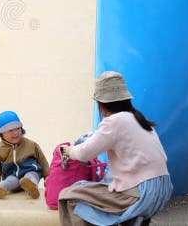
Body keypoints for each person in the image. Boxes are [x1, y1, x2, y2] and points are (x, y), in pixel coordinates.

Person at [58, 71, 173, 226]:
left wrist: (69, 151)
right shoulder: (138, 118)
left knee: (70, 195)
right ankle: (133, 220)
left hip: (141, 192)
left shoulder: (113, 121)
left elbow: (85, 153)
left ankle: (125, 219)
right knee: (101, 188)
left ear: (100, 103)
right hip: (161, 189)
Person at [0, 110, 49, 199]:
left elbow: (43, 161)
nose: (15, 133)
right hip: (13, 177)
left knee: (31, 176)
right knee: (9, 181)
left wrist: (48, 178)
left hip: (30, 171)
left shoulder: (31, 145)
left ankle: (31, 188)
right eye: (10, 130)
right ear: (1, 134)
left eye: (18, 128)